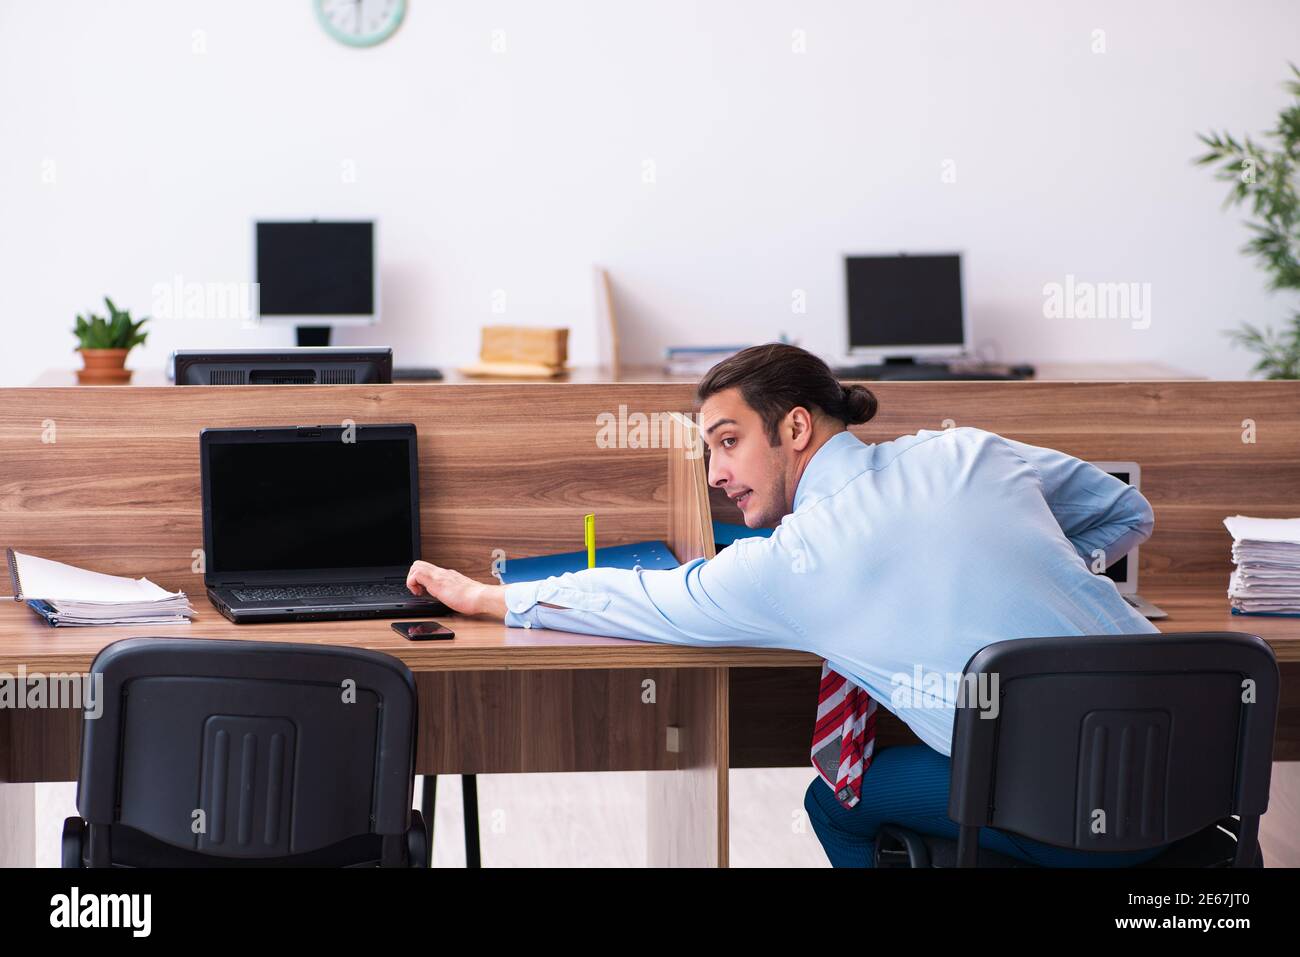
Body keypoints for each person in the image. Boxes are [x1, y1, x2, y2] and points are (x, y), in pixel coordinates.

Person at [406, 342, 1167, 867]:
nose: (714, 473)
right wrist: (1055, 573)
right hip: (1195, 769)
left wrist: (493, 596)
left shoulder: (798, 560)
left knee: (836, 797)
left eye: (728, 441)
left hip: (1078, 817)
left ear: (796, 426)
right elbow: (1127, 511)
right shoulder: (966, 450)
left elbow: (642, 600)